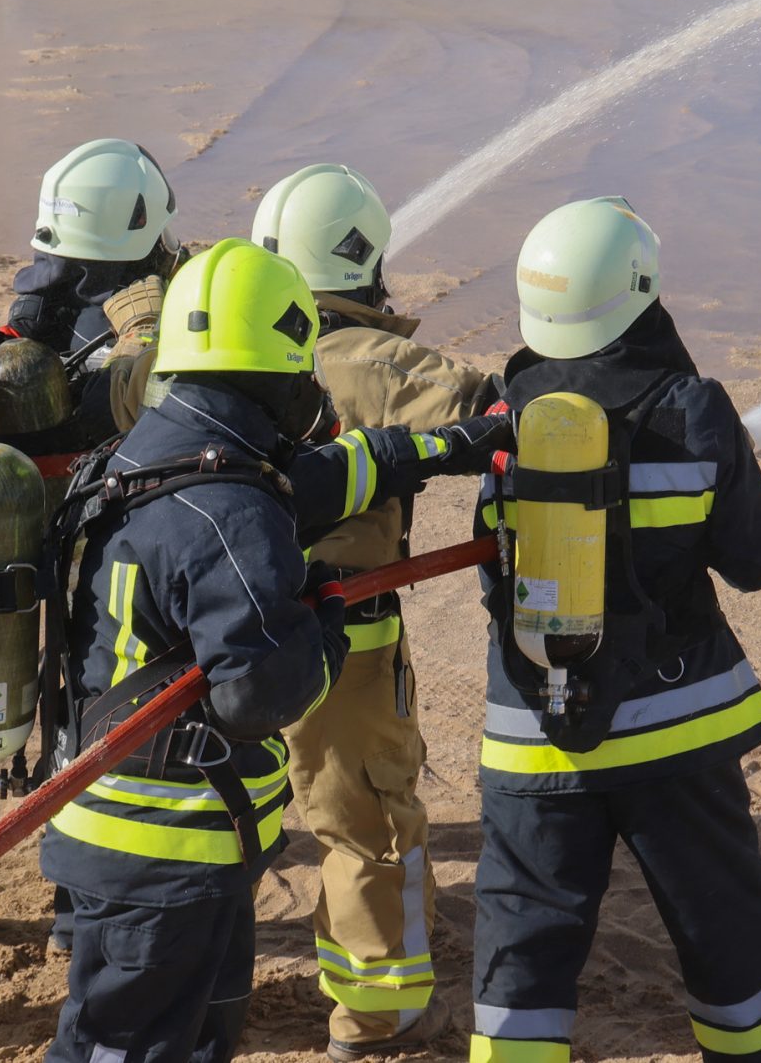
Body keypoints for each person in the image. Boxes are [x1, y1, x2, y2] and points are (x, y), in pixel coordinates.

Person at [40, 239, 509, 1063]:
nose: (310, 389)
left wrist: (453, 447)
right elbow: (259, 693)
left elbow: (320, 476)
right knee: (127, 1047)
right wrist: (323, 623)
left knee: (195, 1031)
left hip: (154, 836)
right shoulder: (232, 510)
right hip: (165, 854)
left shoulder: (156, 450)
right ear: (268, 371)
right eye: (299, 370)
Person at [467, 197, 761, 1063]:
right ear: (642, 294)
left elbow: (488, 569)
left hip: (533, 738)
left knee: (521, 965)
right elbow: (759, 562)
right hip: (675, 736)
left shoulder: (507, 417)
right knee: (728, 943)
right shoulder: (695, 412)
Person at [250, 165, 495, 1060]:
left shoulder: (209, 346)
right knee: (369, 825)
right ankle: (381, 1016)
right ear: (361, 259)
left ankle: (189, 976)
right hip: (343, 650)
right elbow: (499, 413)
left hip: (211, 634)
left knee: (223, 811)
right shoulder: (378, 365)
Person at [0, 138, 187, 440]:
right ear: (137, 232)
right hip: (112, 473)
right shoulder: (166, 321)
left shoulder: (48, 309)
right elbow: (105, 414)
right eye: (162, 234)